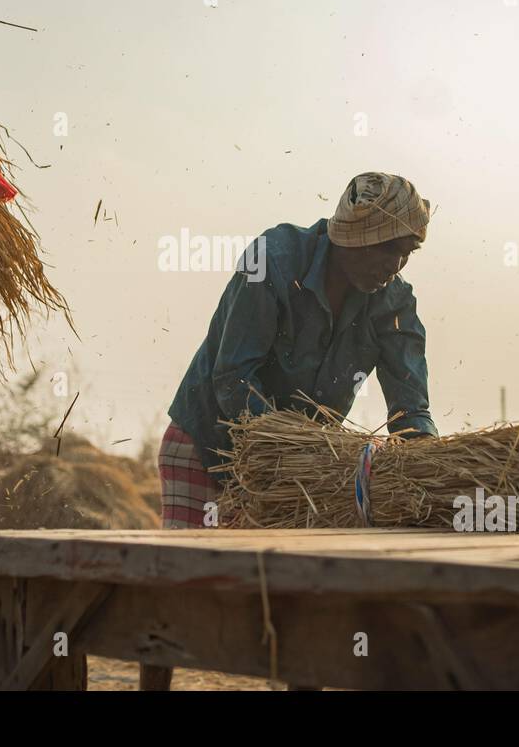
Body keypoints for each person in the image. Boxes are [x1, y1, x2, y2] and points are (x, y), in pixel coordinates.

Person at [162, 171, 438, 529]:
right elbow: (233, 378)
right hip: (208, 448)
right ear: (354, 236)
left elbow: (411, 413)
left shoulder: (394, 305)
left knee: (273, 581)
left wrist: (434, 469)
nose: (396, 265)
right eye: (388, 248)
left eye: (406, 252)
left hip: (290, 478)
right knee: (196, 577)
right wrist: (299, 445)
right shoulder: (274, 260)